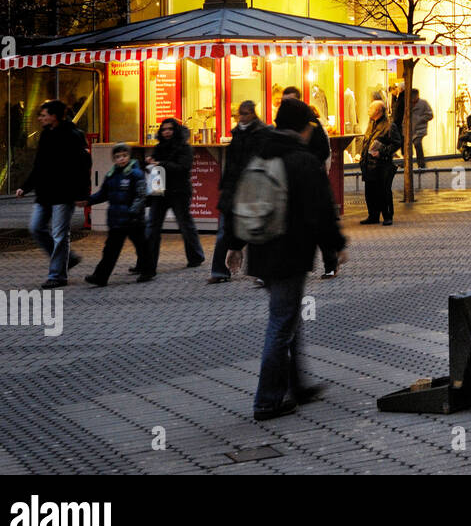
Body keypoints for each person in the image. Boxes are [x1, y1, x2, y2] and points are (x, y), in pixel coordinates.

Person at [228, 98, 347, 421]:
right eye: (309, 126)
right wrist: (335, 247)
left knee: (288, 318)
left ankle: (297, 386)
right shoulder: (302, 160)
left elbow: (241, 197)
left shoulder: (261, 150)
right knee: (281, 325)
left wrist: (235, 245)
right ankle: (267, 401)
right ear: (302, 128)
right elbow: (322, 210)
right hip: (290, 254)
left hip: (262, 250)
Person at [16, 100, 90, 289]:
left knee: (59, 234)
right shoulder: (45, 135)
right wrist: (26, 187)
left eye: (43, 114)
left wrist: (82, 193)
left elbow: (83, 166)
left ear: (54, 116)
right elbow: (39, 165)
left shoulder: (73, 135)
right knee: (36, 228)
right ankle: (67, 260)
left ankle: (57, 275)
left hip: (64, 194)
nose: (40, 118)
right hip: (45, 193)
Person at [209, 100, 265, 283]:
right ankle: (218, 271)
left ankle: (260, 271)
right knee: (224, 231)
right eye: (239, 113)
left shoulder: (260, 133)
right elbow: (232, 163)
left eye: (245, 113)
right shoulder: (237, 133)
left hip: (251, 189)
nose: (241, 117)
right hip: (232, 190)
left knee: (255, 230)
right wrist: (225, 186)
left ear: (253, 114)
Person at [145, 117, 206, 277]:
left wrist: (161, 164)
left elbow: (184, 167)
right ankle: (147, 263)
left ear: (175, 130)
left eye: (170, 129)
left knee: (185, 224)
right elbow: (154, 167)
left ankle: (195, 256)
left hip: (179, 190)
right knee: (152, 226)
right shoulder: (159, 147)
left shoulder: (184, 147)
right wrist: (149, 163)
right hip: (160, 190)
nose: (166, 132)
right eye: (164, 129)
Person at [82, 145, 149, 287]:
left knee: (141, 246)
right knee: (110, 250)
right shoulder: (111, 175)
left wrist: (133, 212)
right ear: (114, 159)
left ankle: (148, 270)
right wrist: (88, 201)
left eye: (124, 155)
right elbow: (103, 194)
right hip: (116, 220)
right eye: (118, 156)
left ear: (129, 156)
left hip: (133, 220)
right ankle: (100, 277)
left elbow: (141, 195)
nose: (122, 159)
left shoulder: (136, 174)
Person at [358, 100, 398, 227]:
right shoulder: (371, 123)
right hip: (368, 164)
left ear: (378, 111)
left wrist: (383, 152)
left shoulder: (389, 125)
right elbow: (367, 141)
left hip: (381, 164)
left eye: (371, 108)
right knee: (370, 191)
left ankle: (387, 216)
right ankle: (373, 215)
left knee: (383, 191)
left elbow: (396, 142)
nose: (368, 110)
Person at [280, 87, 331, 169]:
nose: (287, 106)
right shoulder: (281, 123)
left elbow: (324, 150)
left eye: (291, 101)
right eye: (284, 102)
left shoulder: (310, 121)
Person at [408, 89, 433, 169]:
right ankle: (409, 164)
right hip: (410, 129)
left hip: (420, 129)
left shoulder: (423, 103)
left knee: (417, 144)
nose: (413, 98)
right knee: (409, 147)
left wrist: (420, 119)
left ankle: (421, 164)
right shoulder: (408, 103)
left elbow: (430, 115)